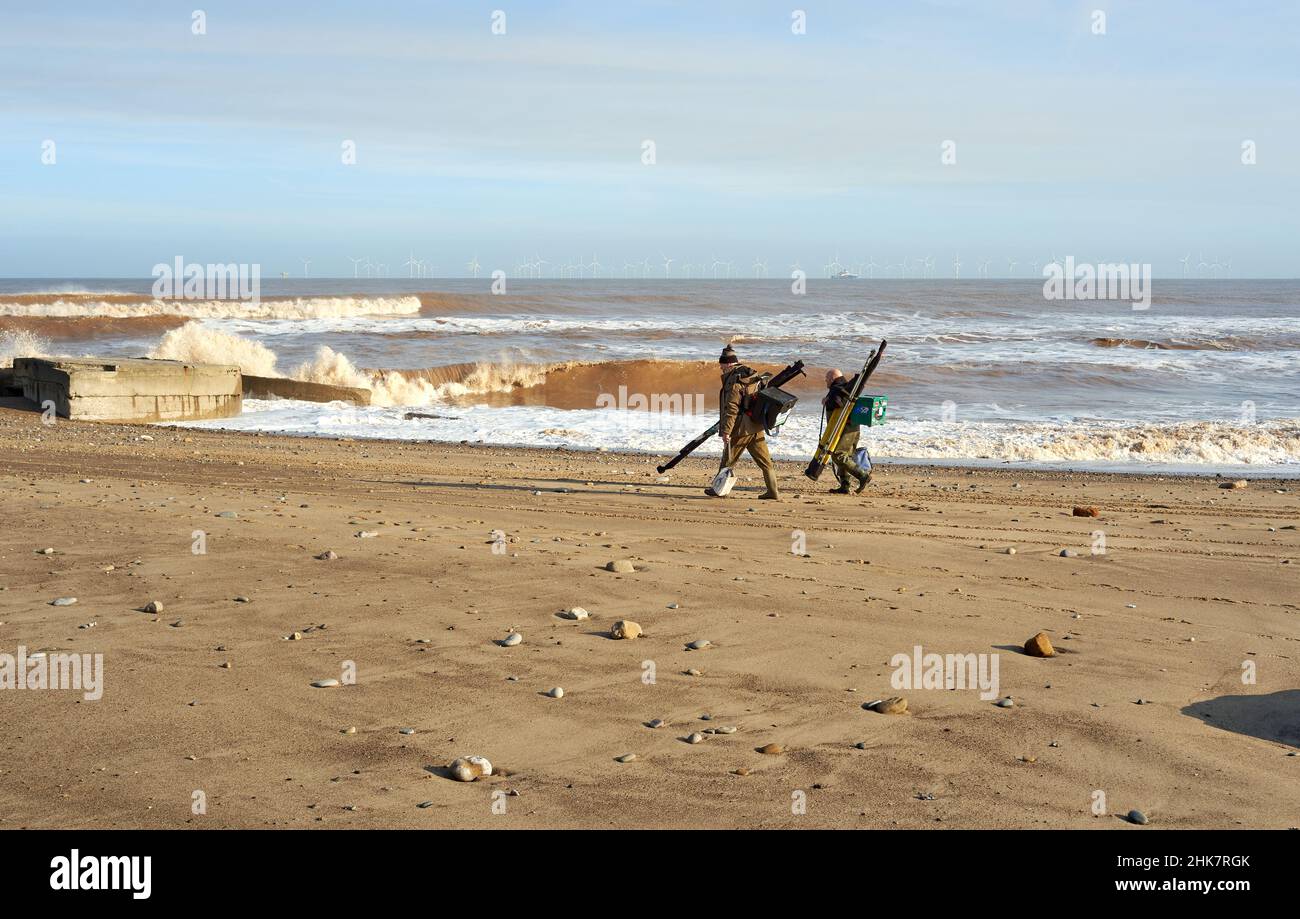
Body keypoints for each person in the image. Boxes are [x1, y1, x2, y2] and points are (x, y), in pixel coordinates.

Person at [705, 345, 780, 500]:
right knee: (765, 462)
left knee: (728, 459)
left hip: (741, 428)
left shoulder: (734, 382)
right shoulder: (751, 375)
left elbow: (731, 409)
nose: (720, 367)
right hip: (756, 424)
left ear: (728, 364)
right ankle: (773, 491)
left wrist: (726, 431)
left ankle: (719, 489)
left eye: (721, 364)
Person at [822, 368, 871, 494]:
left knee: (838, 455)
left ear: (832, 379)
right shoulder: (847, 386)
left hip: (846, 429)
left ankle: (863, 475)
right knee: (846, 455)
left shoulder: (836, 389)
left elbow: (837, 402)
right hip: (854, 428)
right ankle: (845, 485)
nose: (825, 381)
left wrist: (827, 400)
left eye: (827, 379)